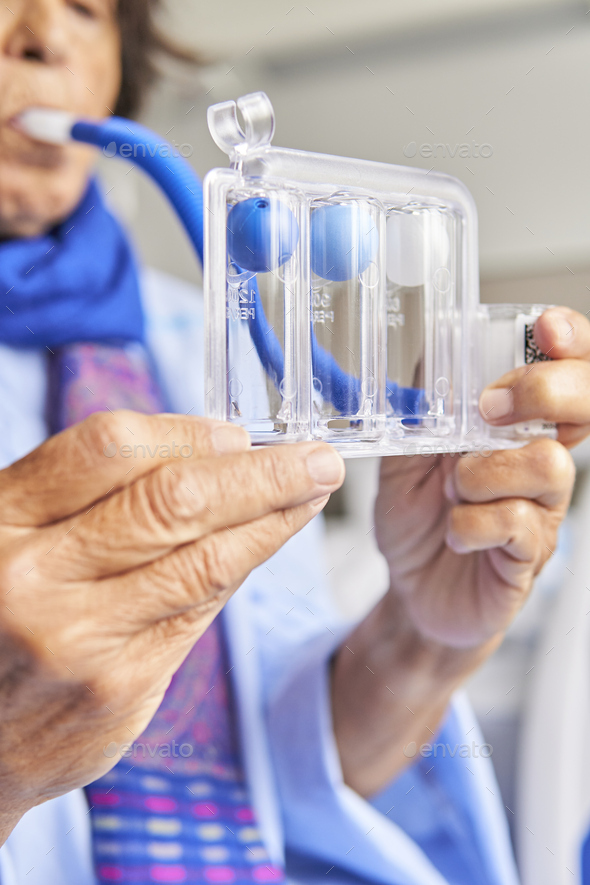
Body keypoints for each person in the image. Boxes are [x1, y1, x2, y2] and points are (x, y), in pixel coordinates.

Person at [0, 2, 588, 884]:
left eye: (86, 8)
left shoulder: (209, 343)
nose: (44, 33)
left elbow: (266, 779)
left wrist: (419, 645)